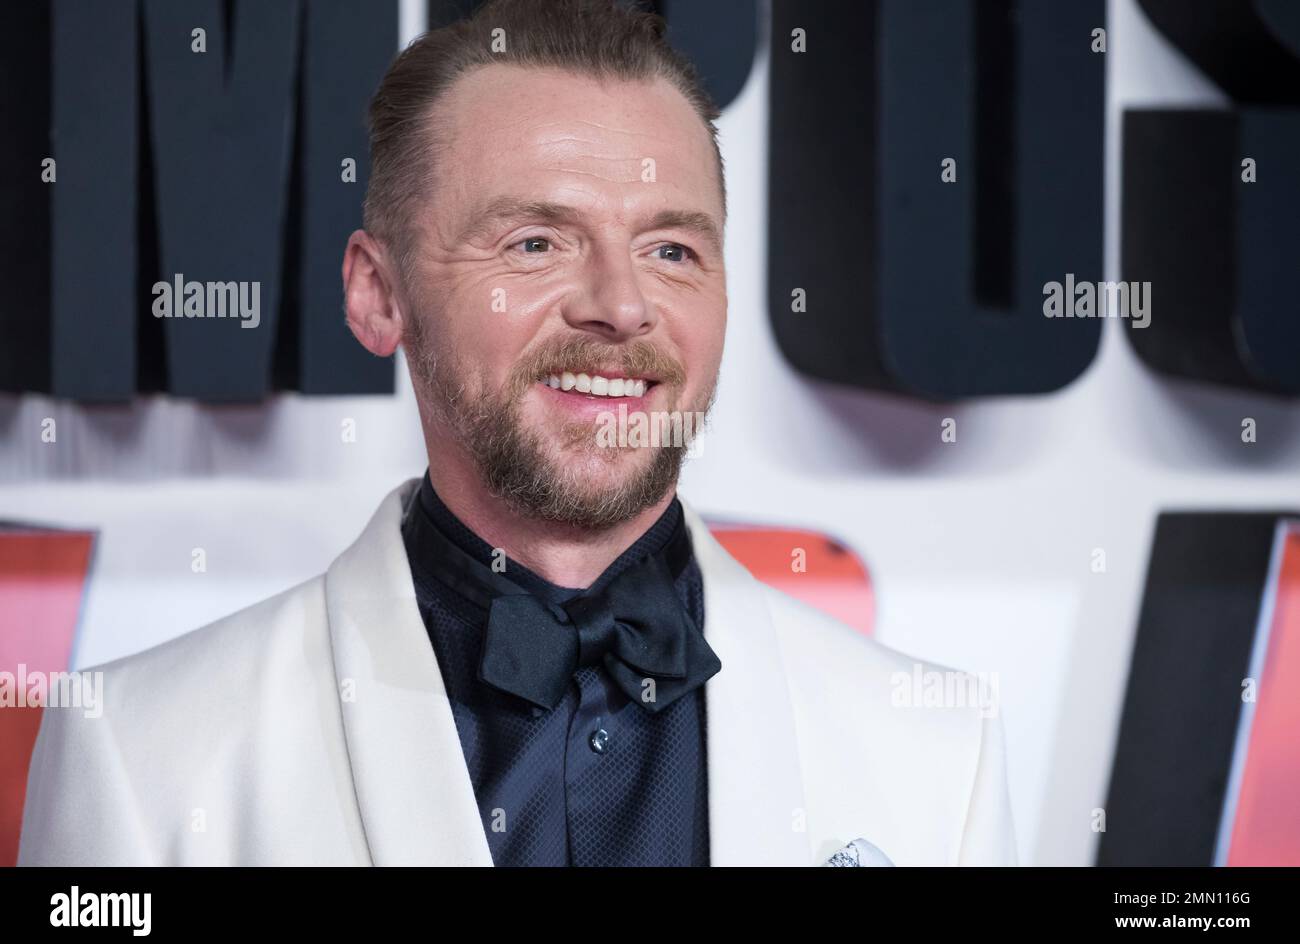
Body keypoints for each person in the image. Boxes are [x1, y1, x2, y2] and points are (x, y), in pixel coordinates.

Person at [19, 0, 1015, 866]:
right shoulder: (143, 756)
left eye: (670, 248)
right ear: (377, 292)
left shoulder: (933, 751)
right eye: (535, 242)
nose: (621, 307)